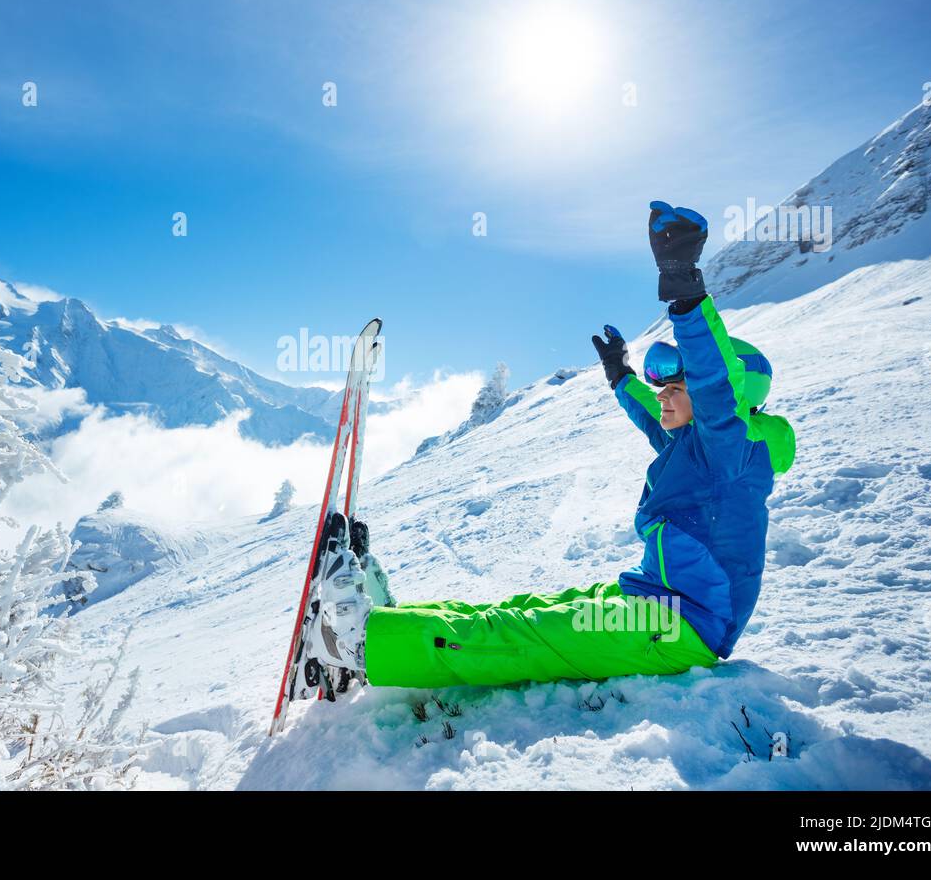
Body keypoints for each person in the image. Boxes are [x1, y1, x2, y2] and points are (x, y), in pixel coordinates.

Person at [307, 202, 796, 689]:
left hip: (681, 627)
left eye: (675, 386)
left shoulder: (727, 449)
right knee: (525, 610)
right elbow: (654, 417)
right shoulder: (695, 449)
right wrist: (621, 376)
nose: (664, 394)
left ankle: (366, 647)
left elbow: (714, 383)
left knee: (526, 636)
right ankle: (395, 624)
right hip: (657, 604)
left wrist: (684, 288)